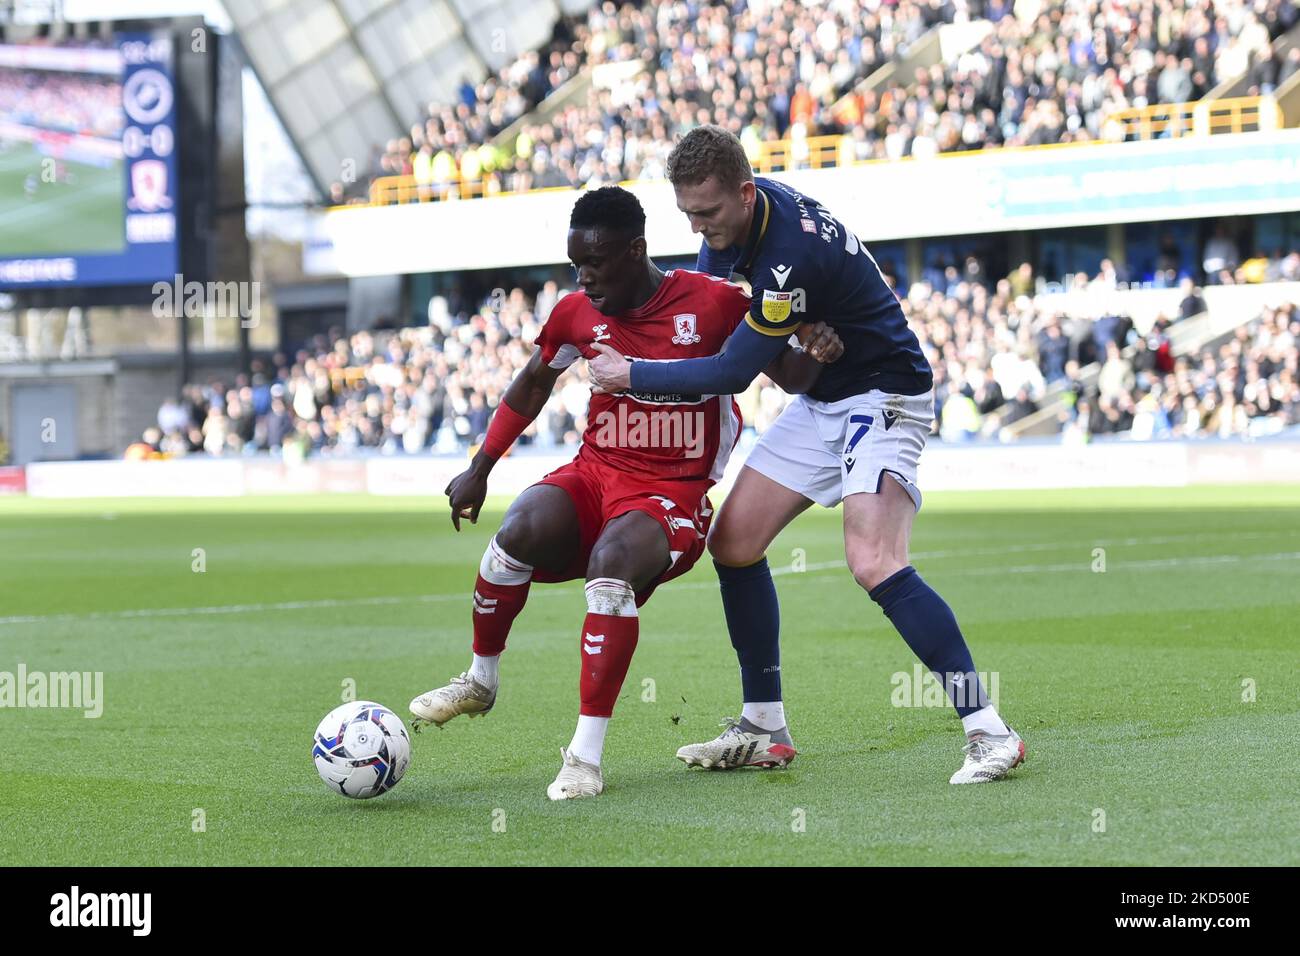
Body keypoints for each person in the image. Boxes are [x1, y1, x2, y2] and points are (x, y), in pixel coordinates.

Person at [589, 125, 1024, 784]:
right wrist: (793, 344)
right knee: (733, 543)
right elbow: (752, 348)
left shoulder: (789, 254)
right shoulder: (743, 226)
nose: (700, 228)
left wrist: (634, 375)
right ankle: (764, 724)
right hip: (825, 401)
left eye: (707, 212)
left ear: (743, 191)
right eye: (687, 215)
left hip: (884, 395)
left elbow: (733, 368)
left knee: (873, 559)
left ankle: (988, 730)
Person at [409, 186, 842, 800]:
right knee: (518, 530)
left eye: (597, 263)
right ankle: (480, 680)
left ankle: (584, 758)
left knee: (611, 567)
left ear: (637, 250)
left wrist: (813, 345)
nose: (584, 278)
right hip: (595, 473)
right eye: (575, 265)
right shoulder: (574, 313)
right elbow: (534, 382)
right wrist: (481, 466)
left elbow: (790, 374)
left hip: (673, 493)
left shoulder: (714, 304)